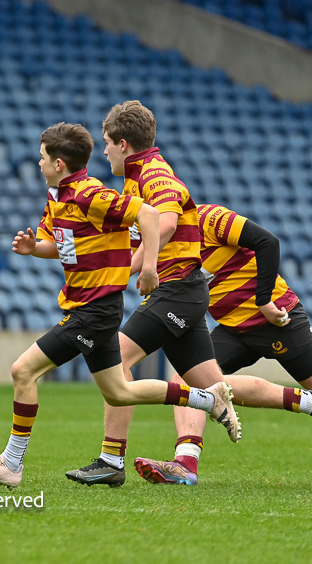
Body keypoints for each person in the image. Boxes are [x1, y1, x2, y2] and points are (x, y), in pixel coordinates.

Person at [0, 122, 238, 488]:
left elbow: (150, 216)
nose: (38, 161)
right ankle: (206, 399)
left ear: (59, 163)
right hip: (87, 308)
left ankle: (11, 463)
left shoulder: (90, 195)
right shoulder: (57, 194)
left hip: (94, 311)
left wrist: (150, 268)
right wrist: (34, 248)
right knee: (119, 391)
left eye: (42, 156)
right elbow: (55, 244)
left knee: (22, 371)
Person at [65, 100, 245, 487]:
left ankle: (111, 461)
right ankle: (301, 403)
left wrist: (138, 269)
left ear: (124, 143)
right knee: (217, 387)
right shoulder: (136, 176)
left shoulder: (153, 172)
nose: (105, 151)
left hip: (177, 289)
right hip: (187, 290)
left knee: (115, 361)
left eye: (108, 143)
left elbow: (164, 223)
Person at [134, 203, 312, 484]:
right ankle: (185, 464)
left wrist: (264, 300)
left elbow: (268, 242)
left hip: (277, 320)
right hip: (232, 329)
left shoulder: (210, 219)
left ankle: (307, 401)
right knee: (186, 380)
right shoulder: (162, 247)